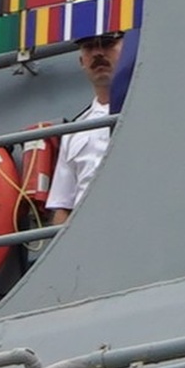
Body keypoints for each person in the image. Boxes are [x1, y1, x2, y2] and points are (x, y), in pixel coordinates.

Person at [45, 31, 125, 225]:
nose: (98, 53)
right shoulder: (74, 131)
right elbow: (63, 206)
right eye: (89, 47)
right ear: (81, 61)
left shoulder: (148, 111)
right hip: (90, 236)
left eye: (107, 43)